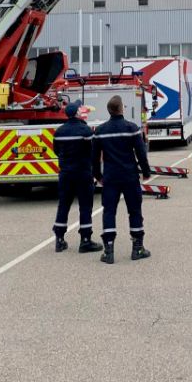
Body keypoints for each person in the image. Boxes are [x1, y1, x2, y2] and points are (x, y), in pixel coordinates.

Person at [93, 95, 152, 264]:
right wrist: (146, 171)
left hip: (110, 177)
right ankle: (138, 248)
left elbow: (94, 157)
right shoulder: (131, 128)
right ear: (121, 109)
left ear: (109, 110)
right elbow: (141, 152)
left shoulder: (100, 131)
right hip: (129, 176)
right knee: (134, 210)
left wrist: (98, 176)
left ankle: (109, 250)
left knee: (109, 211)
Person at [51, 101, 103, 254]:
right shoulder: (86, 130)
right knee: (85, 206)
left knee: (64, 205)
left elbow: (56, 151)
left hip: (66, 173)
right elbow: (93, 152)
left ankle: (59, 240)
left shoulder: (59, 132)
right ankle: (85, 241)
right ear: (77, 114)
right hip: (83, 173)